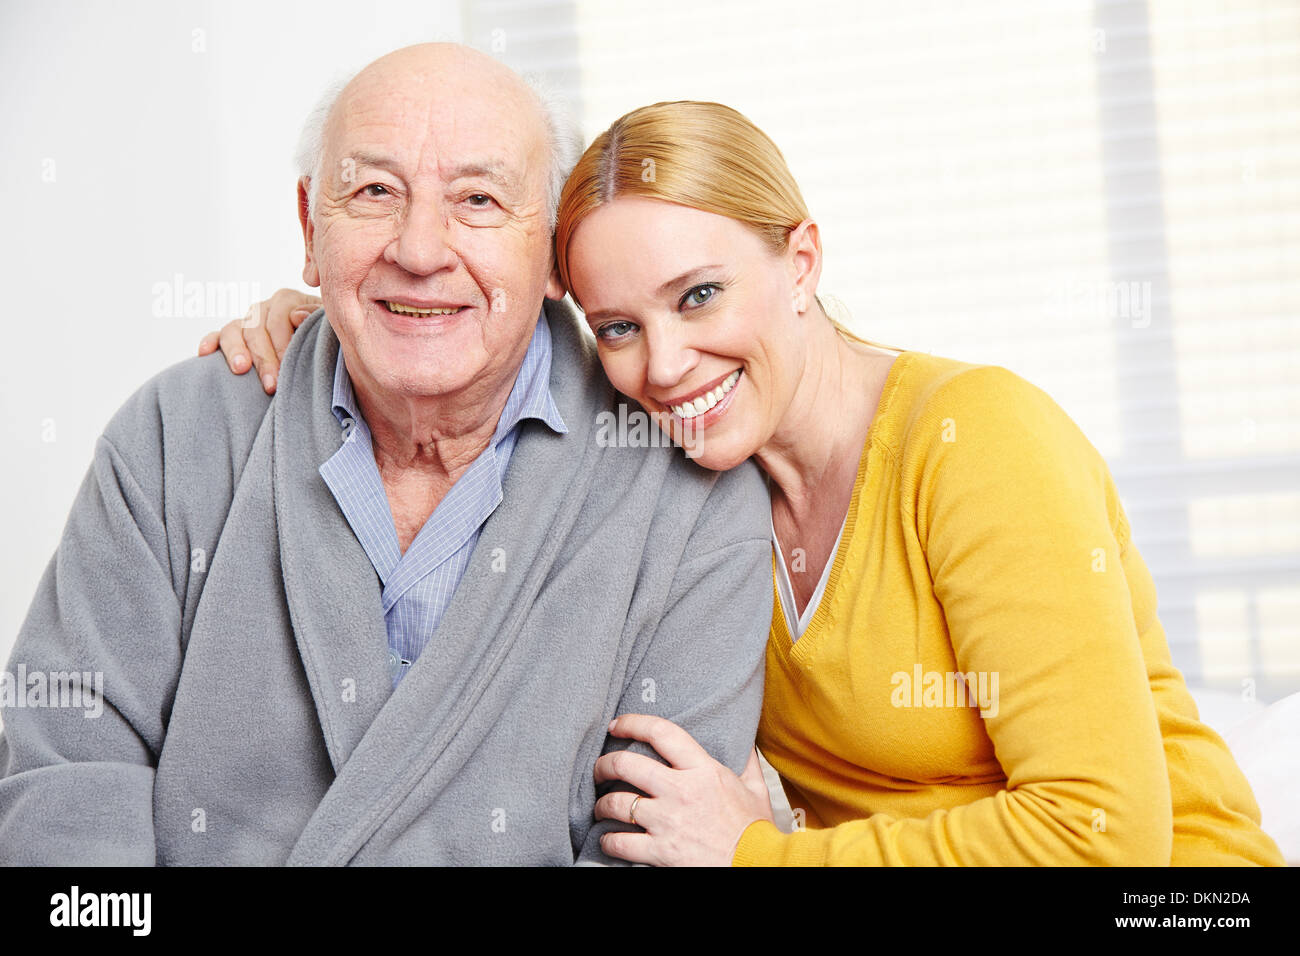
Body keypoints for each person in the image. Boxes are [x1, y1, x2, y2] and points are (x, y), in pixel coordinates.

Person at [211, 98, 1285, 867]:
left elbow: (1104, 834)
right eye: (618, 327)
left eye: (700, 295)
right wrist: (344, 329)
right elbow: (488, 334)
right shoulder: (684, 496)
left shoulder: (977, 440)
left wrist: (758, 852)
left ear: (801, 261)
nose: (666, 363)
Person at [0, 46, 774, 865]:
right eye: (375, 192)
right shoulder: (175, 434)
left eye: (478, 200)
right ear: (310, 228)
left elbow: (654, 847)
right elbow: (66, 773)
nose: (419, 250)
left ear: (554, 252)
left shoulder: (690, 497)